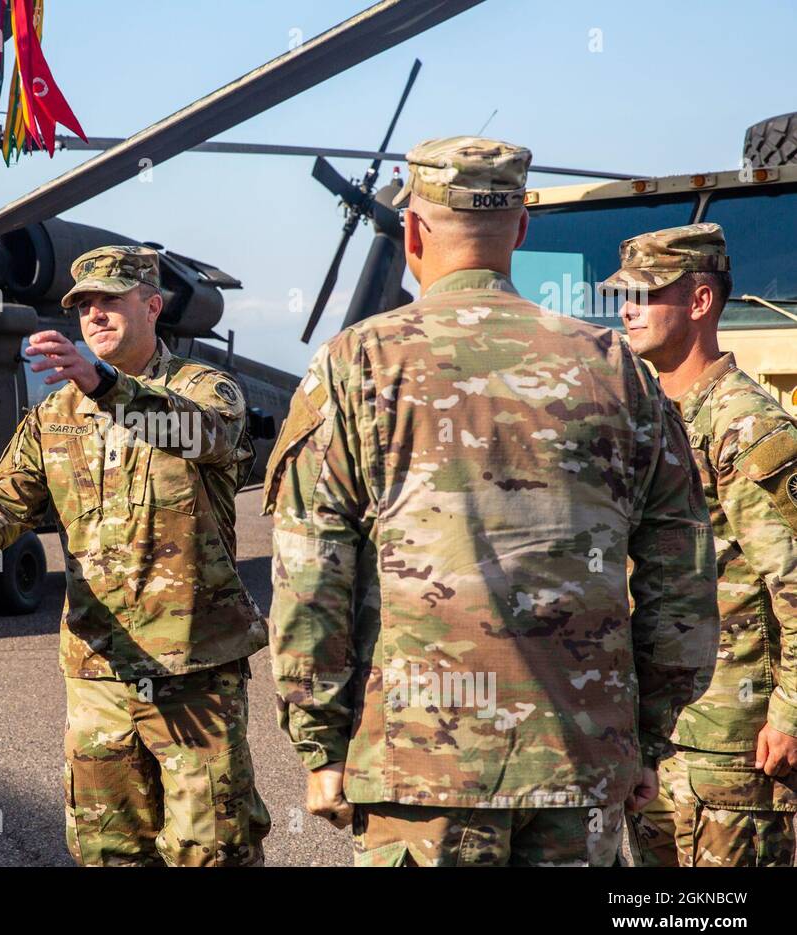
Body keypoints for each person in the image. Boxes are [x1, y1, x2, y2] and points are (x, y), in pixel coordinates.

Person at [263, 136, 720, 866]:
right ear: (521, 229)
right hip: (582, 764)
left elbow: (311, 571)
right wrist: (646, 736)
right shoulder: (617, 369)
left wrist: (320, 744)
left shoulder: (356, 363)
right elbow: (683, 575)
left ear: (412, 231)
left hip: (419, 771)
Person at [0, 245, 271, 865]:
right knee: (108, 848)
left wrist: (103, 385)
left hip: (194, 662)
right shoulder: (56, 414)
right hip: (99, 668)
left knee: (211, 848)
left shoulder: (207, 390)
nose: (94, 315)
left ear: (152, 307)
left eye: (110, 301)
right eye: (84, 305)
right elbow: (9, 498)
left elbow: (204, 435)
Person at [609, 224, 797, 867]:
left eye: (646, 293)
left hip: (734, 747)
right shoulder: (652, 416)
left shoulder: (745, 425)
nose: (626, 308)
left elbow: (794, 577)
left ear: (699, 302)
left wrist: (792, 712)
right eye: (623, 293)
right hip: (662, 739)